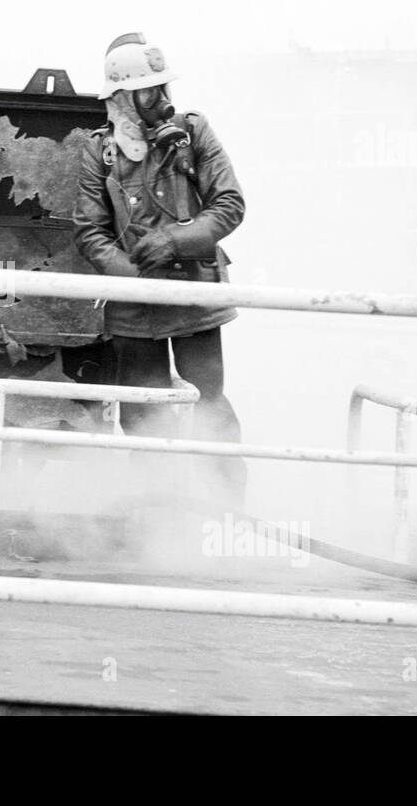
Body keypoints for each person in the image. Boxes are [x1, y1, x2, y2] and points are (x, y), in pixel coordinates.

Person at [72, 32, 247, 510]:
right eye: (148, 91)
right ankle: (159, 514)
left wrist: (174, 241)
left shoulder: (194, 132)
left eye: (161, 88)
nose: (161, 99)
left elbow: (230, 204)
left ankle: (230, 506)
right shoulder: (100, 151)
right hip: (135, 303)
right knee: (143, 408)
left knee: (209, 399)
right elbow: (89, 231)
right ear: (123, 98)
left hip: (194, 291)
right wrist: (135, 278)